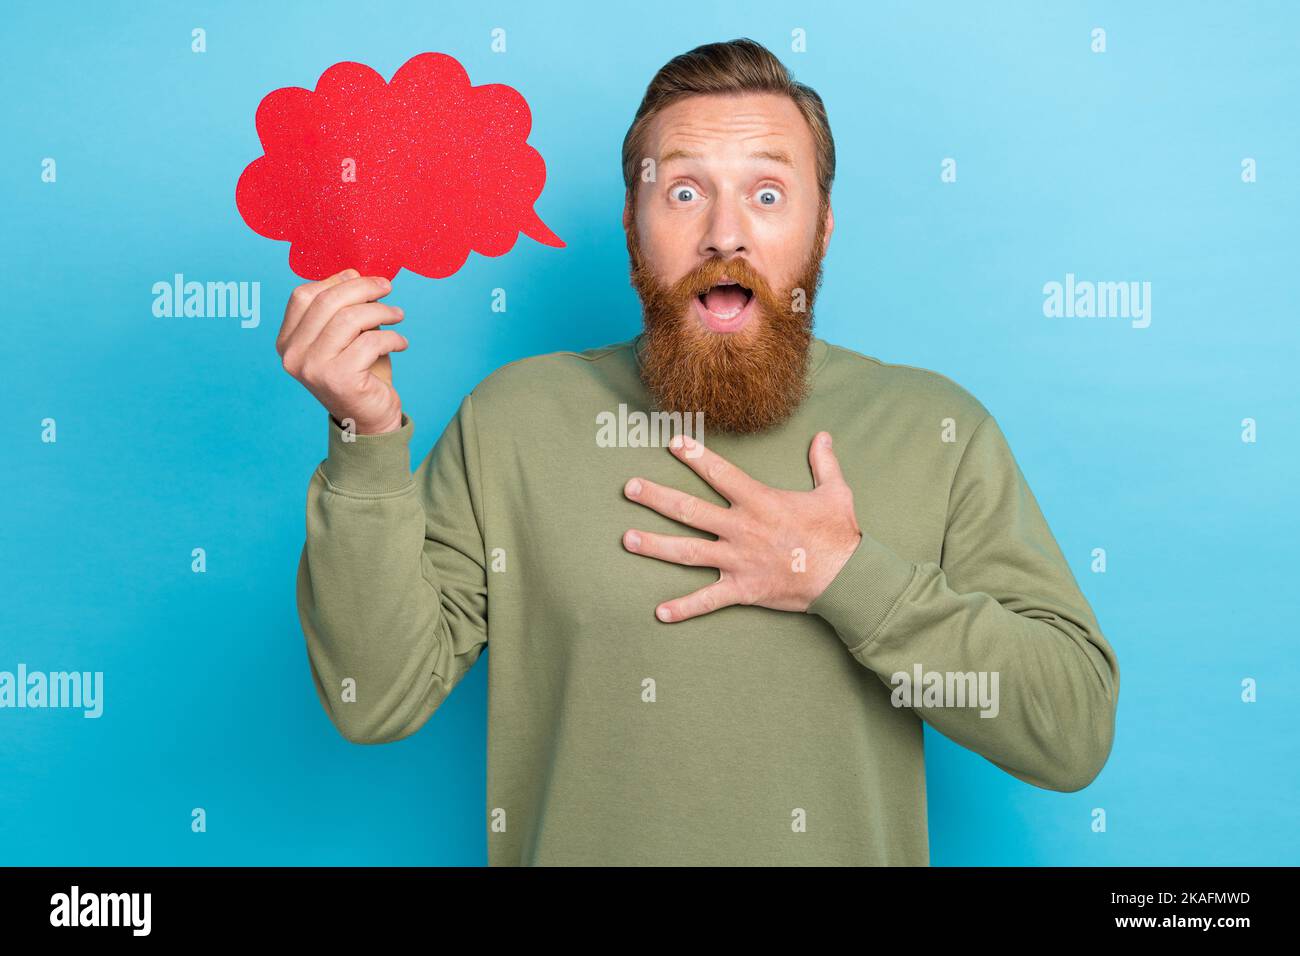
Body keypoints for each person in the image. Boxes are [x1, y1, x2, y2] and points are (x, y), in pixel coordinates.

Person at [278, 38, 1119, 866]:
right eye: (682, 191)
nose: (726, 234)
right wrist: (364, 441)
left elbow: (1072, 733)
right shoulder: (513, 423)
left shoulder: (938, 429)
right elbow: (374, 698)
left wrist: (845, 576)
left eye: (766, 192)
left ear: (821, 229)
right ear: (632, 226)